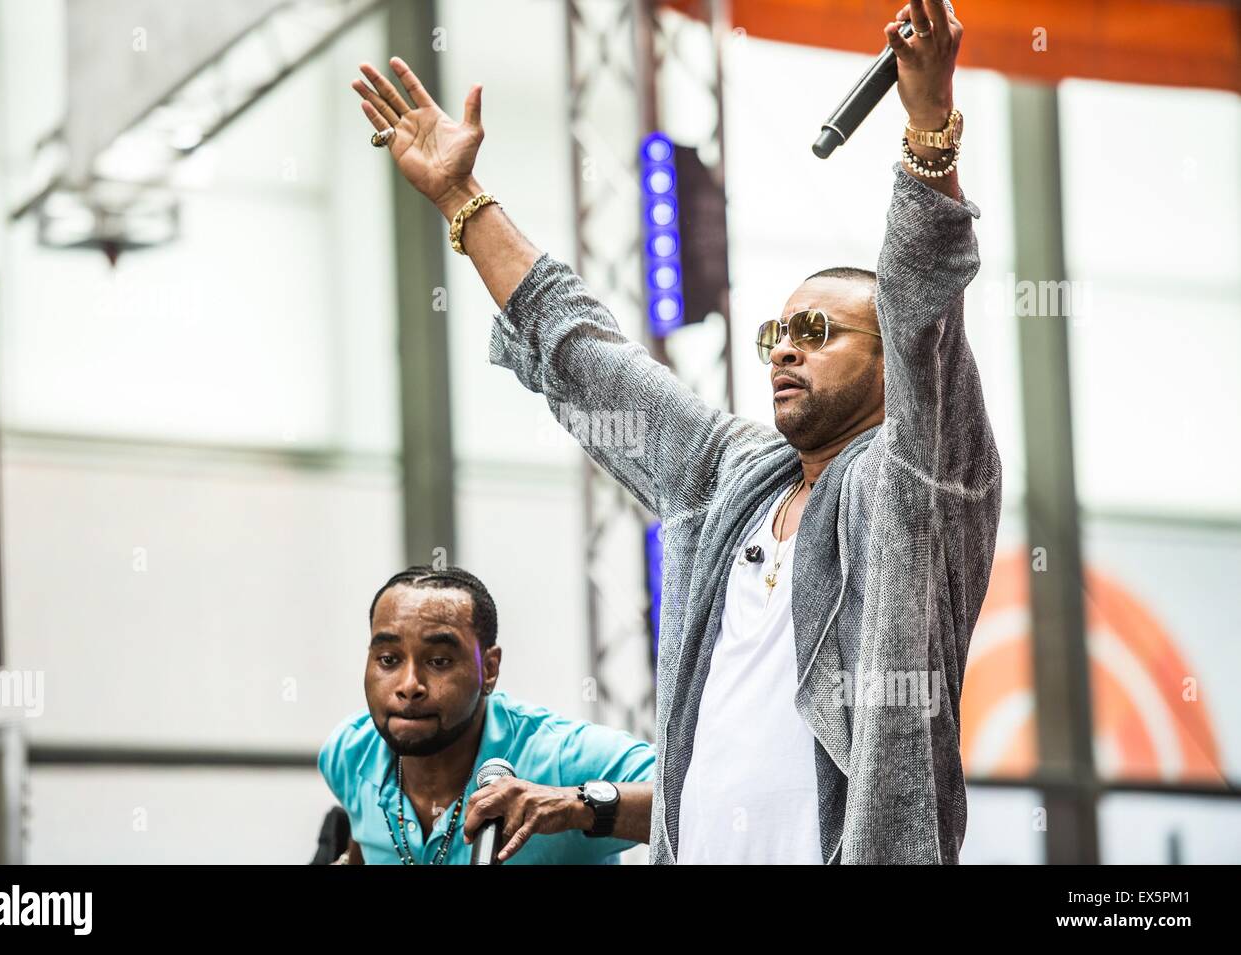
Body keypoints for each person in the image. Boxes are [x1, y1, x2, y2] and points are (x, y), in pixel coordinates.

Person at [350, 0, 1000, 863]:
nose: (786, 352)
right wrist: (463, 198)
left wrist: (927, 125)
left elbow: (925, 320)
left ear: (891, 370)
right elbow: (587, 355)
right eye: (777, 334)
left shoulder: (920, 482)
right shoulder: (734, 477)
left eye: (819, 332)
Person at [318, 565, 655, 864]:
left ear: (489, 669)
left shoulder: (560, 758)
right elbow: (365, 838)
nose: (409, 686)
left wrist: (572, 805)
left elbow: (693, 796)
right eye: (389, 659)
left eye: (438, 661)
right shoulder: (349, 753)